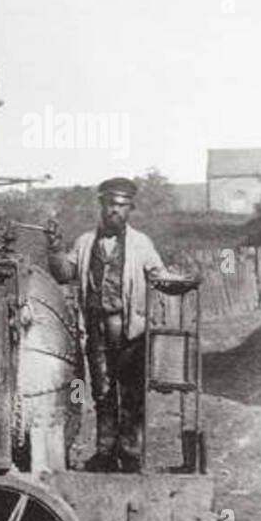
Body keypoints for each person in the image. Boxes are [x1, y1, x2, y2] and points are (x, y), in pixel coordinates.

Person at [46, 177, 165, 472]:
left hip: (131, 331)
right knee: (102, 392)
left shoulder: (141, 244)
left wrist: (172, 284)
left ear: (130, 209)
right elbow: (64, 274)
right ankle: (105, 451)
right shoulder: (85, 243)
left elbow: (159, 275)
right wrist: (55, 247)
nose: (115, 211)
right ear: (101, 205)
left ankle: (130, 452)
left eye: (122, 206)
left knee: (132, 393)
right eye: (110, 204)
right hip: (96, 330)